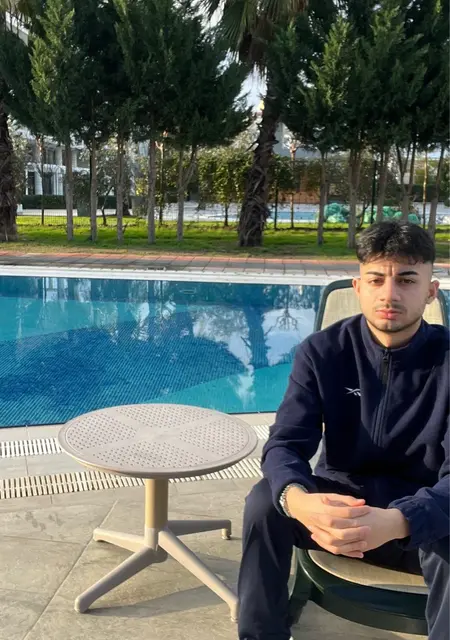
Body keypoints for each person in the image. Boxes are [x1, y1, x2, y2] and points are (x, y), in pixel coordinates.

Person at [238, 221, 449, 640]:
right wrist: (298, 501)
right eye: (376, 279)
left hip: (417, 518)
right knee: (265, 502)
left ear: (430, 291)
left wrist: (399, 520)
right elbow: (285, 443)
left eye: (407, 280)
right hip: (338, 508)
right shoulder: (323, 351)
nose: (389, 294)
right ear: (358, 287)